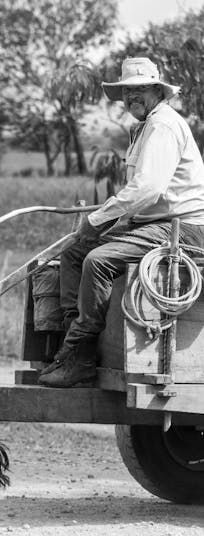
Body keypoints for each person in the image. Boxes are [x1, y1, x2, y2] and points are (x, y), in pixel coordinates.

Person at [39, 57, 204, 387]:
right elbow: (142, 192)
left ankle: (81, 356)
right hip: (155, 223)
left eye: (140, 90)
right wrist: (103, 221)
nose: (132, 98)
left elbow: (148, 188)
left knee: (97, 261)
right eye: (127, 92)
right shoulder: (145, 127)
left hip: (183, 227)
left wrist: (99, 219)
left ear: (157, 90)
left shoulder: (162, 126)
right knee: (73, 253)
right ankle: (74, 348)